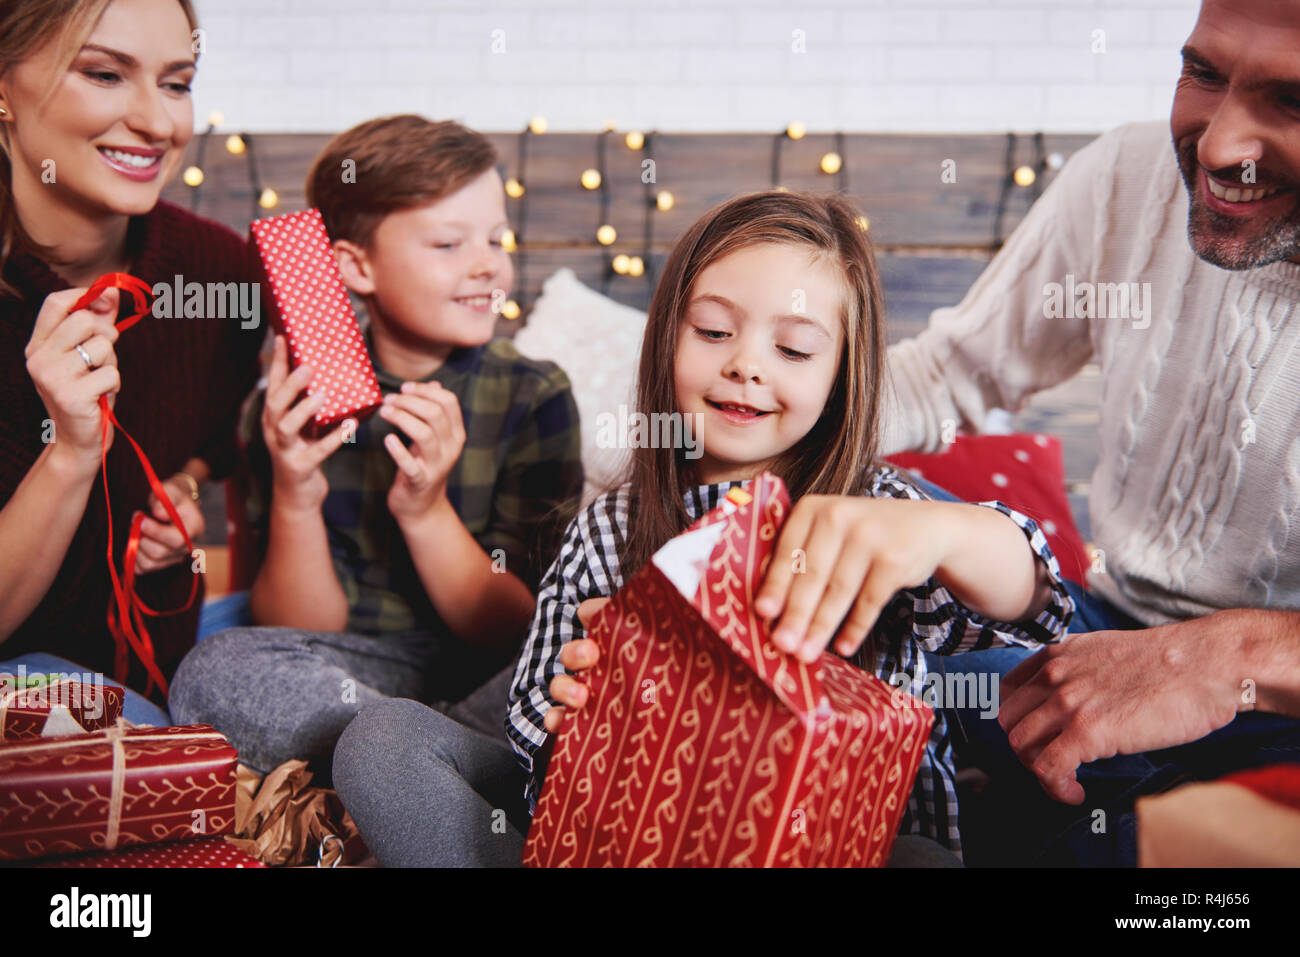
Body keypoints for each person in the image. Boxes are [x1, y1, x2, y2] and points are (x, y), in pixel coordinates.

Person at [331, 190, 1076, 866]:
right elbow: (532, 722)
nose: (747, 364)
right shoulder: (611, 529)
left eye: (793, 348)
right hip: (627, 835)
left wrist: (944, 534)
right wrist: (580, 710)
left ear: (842, 373)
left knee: (923, 861)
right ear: (667, 339)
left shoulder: (873, 512)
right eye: (715, 331)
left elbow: (1037, 606)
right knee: (385, 741)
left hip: (836, 846)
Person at [883, 0, 1300, 865]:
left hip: (1280, 722)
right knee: (870, 520)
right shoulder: (1128, 175)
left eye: (1294, 101)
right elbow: (950, 373)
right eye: (1205, 74)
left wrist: (1222, 656)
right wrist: (731, 417)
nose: (1220, 147)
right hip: (1093, 630)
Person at [169, 115, 584, 776]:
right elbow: (302, 625)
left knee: (580, 661)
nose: (488, 264)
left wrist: (426, 511)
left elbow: (514, 629)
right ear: (355, 266)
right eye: (449, 243)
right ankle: (422, 761)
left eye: (497, 239)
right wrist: (296, 492)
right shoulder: (287, 409)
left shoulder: (532, 395)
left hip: (488, 673)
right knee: (212, 669)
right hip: (360, 668)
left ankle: (405, 758)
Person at [0, 0, 265, 722]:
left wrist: (182, 486)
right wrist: (71, 454)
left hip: (165, 667)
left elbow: (215, 444)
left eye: (177, 83)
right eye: (105, 74)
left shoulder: (224, 273)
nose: (158, 122)